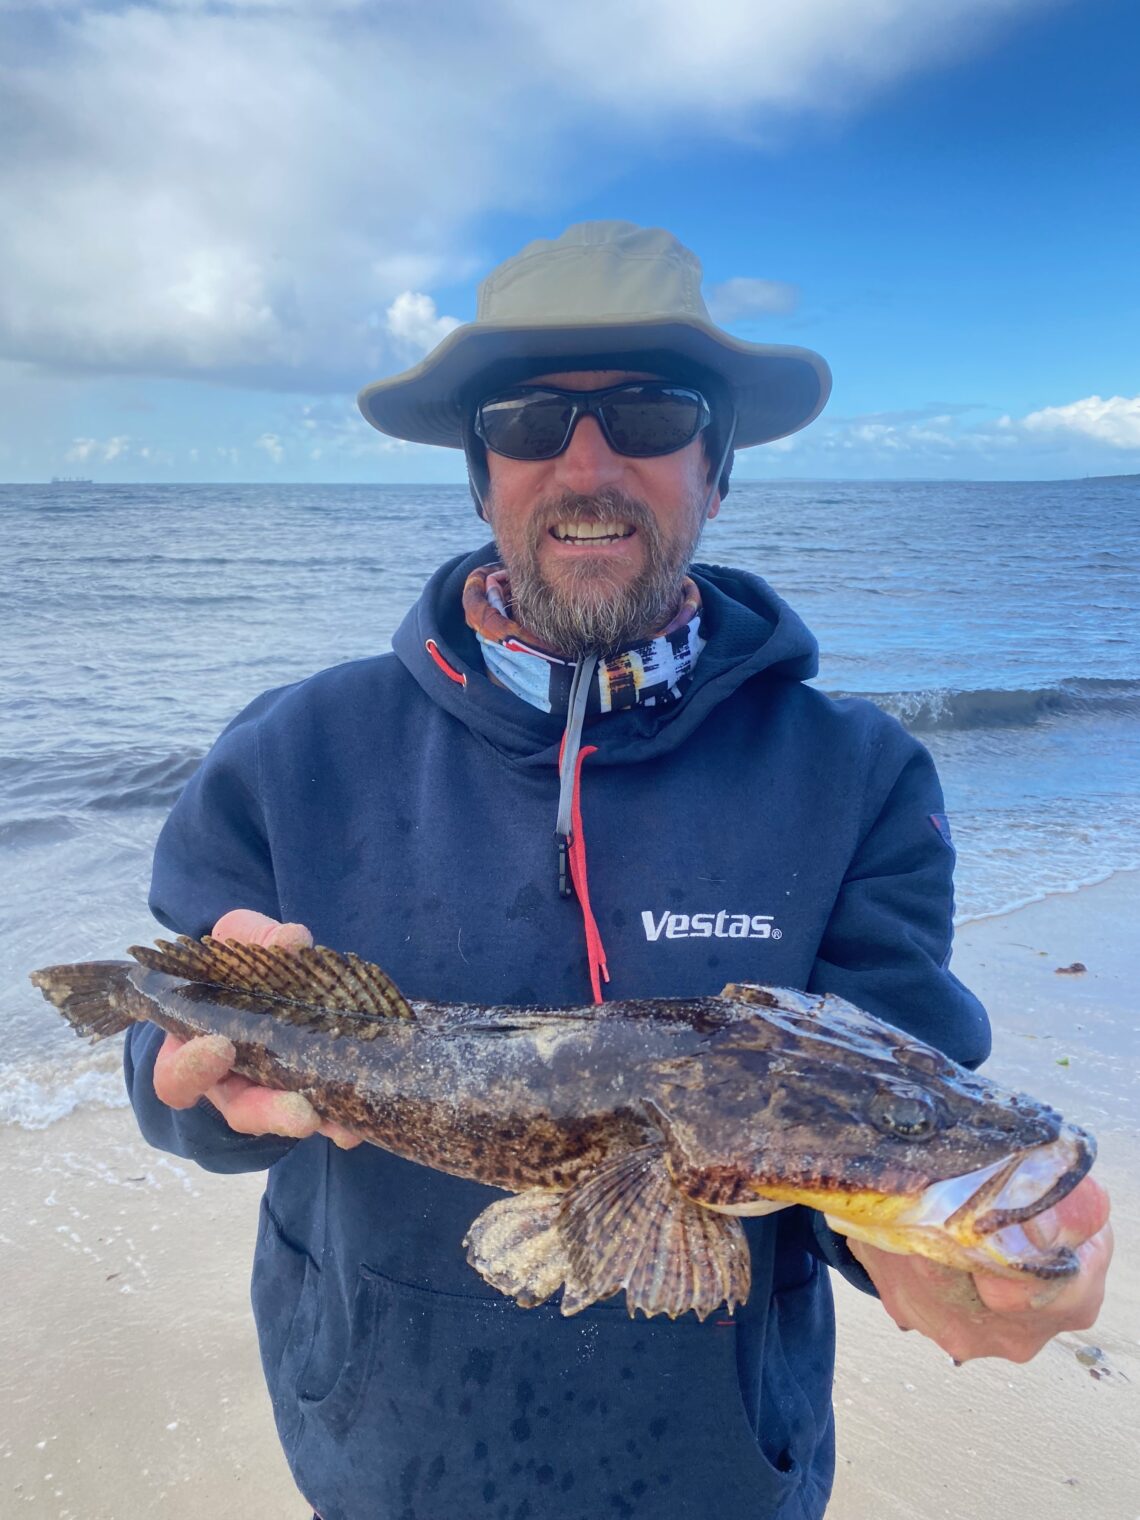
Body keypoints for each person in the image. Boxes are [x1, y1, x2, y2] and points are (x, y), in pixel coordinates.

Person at [124, 221, 1111, 1520]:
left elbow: (879, 1099)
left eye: (648, 411)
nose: (585, 463)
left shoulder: (860, 775)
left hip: (714, 1478)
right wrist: (187, 1075)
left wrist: (946, 1262)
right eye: (530, 421)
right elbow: (161, 1047)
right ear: (482, 475)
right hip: (378, 1457)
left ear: (717, 464)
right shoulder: (290, 752)